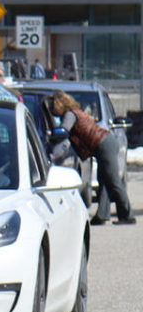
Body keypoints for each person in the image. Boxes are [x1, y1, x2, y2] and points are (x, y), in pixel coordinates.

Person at [49, 92, 134, 225]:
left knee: (113, 181)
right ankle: (102, 215)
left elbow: (63, 131)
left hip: (103, 144)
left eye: (52, 107)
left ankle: (127, 215)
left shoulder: (70, 114)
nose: (51, 110)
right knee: (104, 181)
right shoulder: (76, 111)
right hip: (104, 143)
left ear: (59, 105)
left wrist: (51, 136)